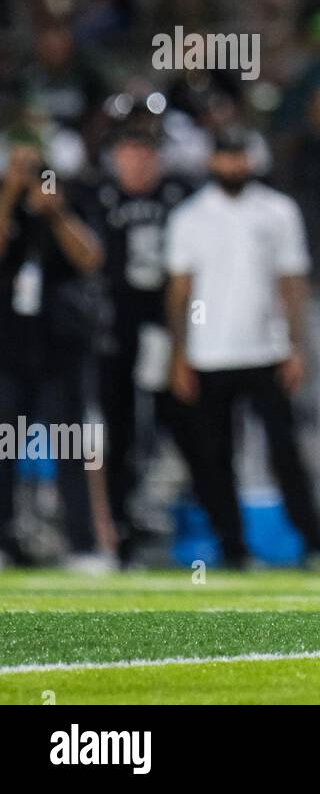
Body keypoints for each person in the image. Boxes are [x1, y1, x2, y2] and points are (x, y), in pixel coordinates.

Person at [165, 126, 320, 569]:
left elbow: (292, 283)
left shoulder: (278, 211)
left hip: (267, 351)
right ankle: (233, 549)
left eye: (239, 155)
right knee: (216, 457)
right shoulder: (190, 217)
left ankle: (315, 546)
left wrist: (296, 347)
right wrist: (179, 355)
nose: (233, 164)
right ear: (212, 161)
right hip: (208, 353)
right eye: (225, 156)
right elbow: (180, 291)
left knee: (286, 454)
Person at [92, 114, 199, 567]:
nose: (138, 161)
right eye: (130, 151)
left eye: (146, 151)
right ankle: (117, 530)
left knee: (187, 427)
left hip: (171, 328)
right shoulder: (95, 196)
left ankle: (209, 531)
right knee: (115, 433)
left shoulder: (183, 196)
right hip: (113, 329)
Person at [0, 132, 104, 570]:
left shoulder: (72, 201)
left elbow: (90, 257)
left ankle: (82, 546)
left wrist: (56, 212)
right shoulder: (6, 203)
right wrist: (10, 194)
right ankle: (3, 543)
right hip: (9, 351)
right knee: (4, 450)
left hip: (60, 350)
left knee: (69, 449)